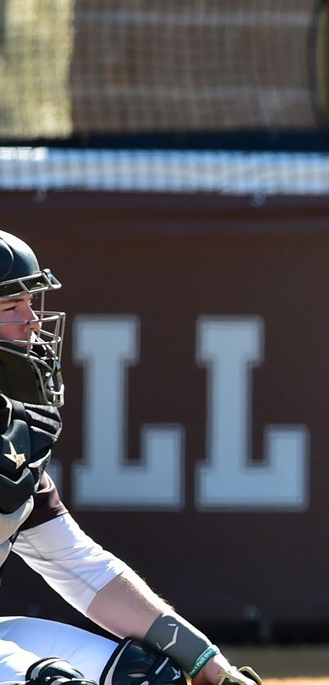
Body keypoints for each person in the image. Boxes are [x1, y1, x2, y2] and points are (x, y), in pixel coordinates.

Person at [0, 231, 262, 685]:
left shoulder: (13, 437)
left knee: (149, 677)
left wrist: (204, 661)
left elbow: (79, 566)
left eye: (30, 303)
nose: (33, 321)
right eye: (10, 308)